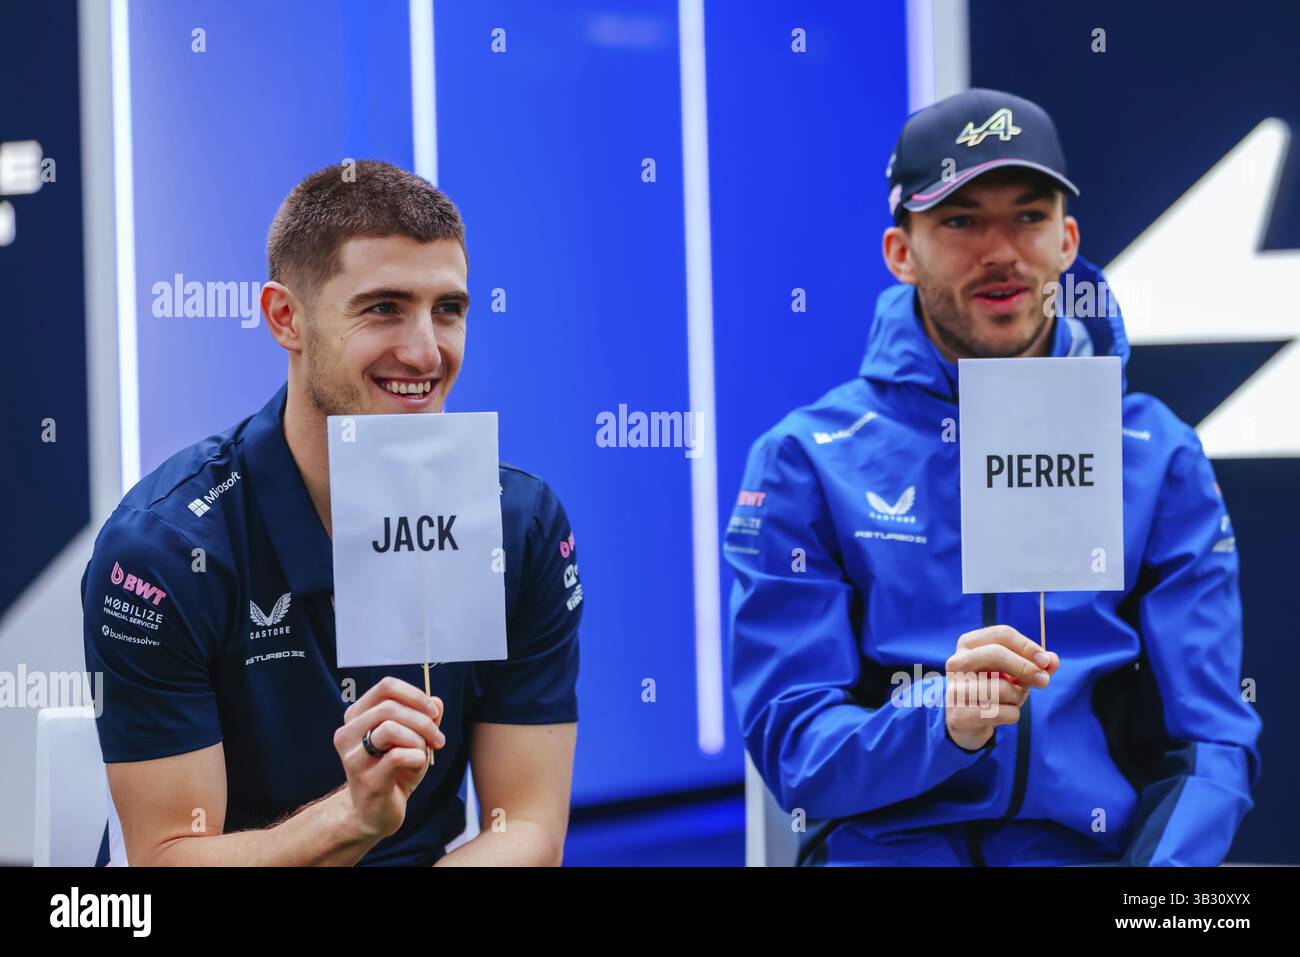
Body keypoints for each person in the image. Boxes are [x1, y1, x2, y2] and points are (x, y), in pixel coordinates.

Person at [724, 89, 1261, 866]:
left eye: (1029, 216)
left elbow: (1211, 741)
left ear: (1068, 239)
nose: (1001, 251)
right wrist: (941, 719)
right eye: (962, 220)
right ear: (900, 251)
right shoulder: (807, 458)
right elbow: (795, 749)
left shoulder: (1156, 453)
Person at [82, 161, 583, 866]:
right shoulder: (163, 551)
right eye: (383, 307)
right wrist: (353, 816)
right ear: (286, 317)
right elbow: (168, 859)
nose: (425, 350)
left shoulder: (518, 526)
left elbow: (527, 826)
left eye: (449, 309)